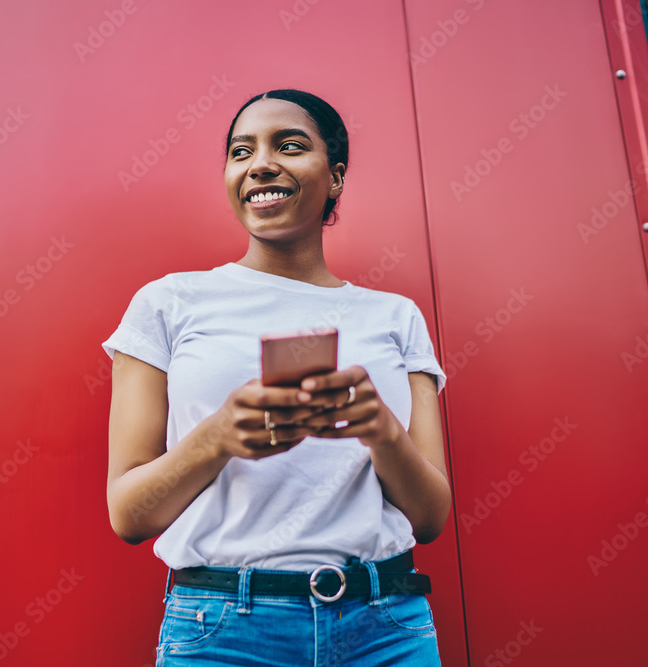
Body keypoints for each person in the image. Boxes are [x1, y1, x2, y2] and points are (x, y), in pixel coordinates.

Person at [102, 89, 450, 666]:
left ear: (335, 178)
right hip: (223, 633)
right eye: (242, 152)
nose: (260, 163)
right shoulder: (167, 304)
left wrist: (381, 431)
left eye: (289, 145)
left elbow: (431, 518)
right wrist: (217, 439)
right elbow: (129, 516)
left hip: (386, 629)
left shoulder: (397, 317)